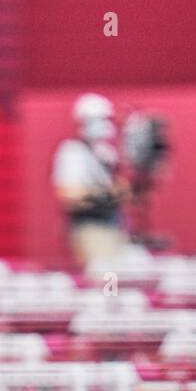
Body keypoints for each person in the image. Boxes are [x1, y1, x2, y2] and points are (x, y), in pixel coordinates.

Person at [52, 93, 130, 267]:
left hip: (114, 225)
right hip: (91, 227)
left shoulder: (106, 153)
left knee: (116, 279)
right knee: (105, 278)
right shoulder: (73, 153)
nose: (106, 126)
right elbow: (69, 194)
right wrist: (102, 195)